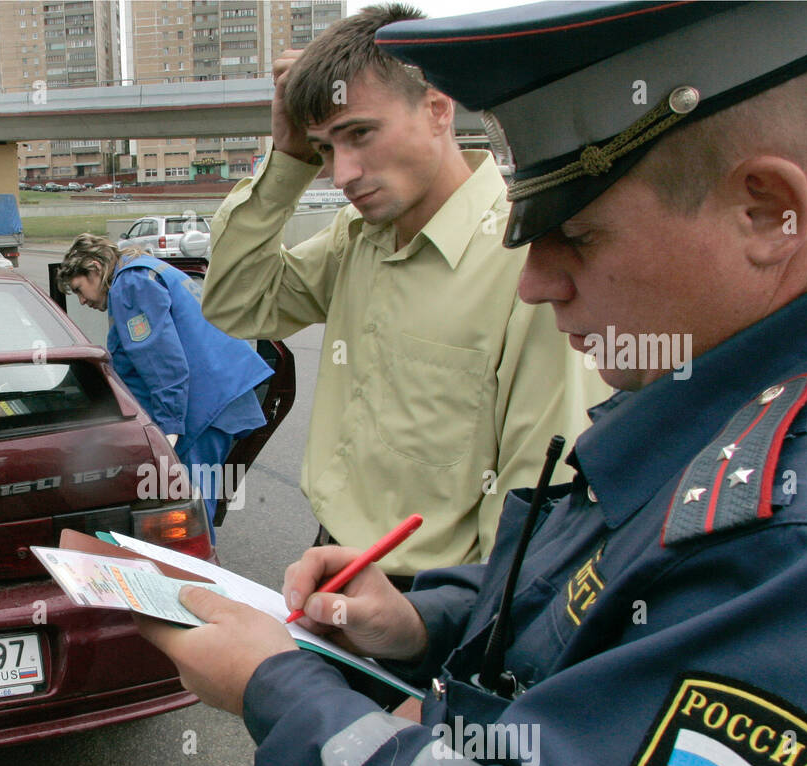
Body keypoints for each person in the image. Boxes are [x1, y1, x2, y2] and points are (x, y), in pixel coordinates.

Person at [137, 1, 807, 766]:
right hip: (378, 610)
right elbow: (234, 298)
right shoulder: (362, 249)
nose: (534, 280)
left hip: (457, 647)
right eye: (325, 147)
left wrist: (418, 678)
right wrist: (425, 625)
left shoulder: (792, 533)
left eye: (577, 235)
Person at [201, 3, 607, 579]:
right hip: (329, 554)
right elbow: (238, 304)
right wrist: (289, 157)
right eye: (324, 150)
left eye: (360, 134)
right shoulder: (359, 237)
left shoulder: (524, 258)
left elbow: (535, 493)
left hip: (435, 600)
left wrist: (472, 636)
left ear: (438, 108)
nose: (341, 175)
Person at [57, 233, 272, 532]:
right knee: (196, 498)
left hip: (202, 407)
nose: (81, 300)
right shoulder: (144, 267)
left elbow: (162, 362)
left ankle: (199, 572)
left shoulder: (130, 286)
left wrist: (169, 430)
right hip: (218, 394)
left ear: (95, 267)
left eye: (80, 289)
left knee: (189, 507)